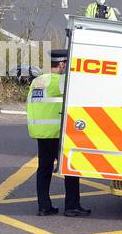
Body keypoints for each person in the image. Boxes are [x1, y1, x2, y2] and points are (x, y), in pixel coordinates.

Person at [28, 49, 91, 217]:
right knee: (71, 169)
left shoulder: (37, 81)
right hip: (57, 132)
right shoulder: (59, 81)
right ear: (62, 64)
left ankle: (44, 206)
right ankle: (72, 206)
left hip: (41, 132)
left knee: (44, 169)